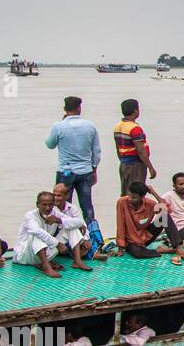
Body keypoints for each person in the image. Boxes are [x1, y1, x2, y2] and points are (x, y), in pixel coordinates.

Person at [46, 96, 101, 226]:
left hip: (66, 172)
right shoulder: (90, 126)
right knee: (87, 206)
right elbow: (97, 151)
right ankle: (93, 236)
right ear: (79, 108)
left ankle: (63, 236)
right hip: (86, 172)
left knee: (61, 206)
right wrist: (94, 169)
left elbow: (49, 144)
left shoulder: (59, 126)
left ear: (65, 109)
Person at [14, 191, 80, 276]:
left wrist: (59, 220)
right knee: (36, 234)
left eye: (50, 205)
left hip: (45, 254)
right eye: (44, 205)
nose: (48, 208)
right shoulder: (30, 216)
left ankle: (77, 261)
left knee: (71, 228)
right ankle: (46, 267)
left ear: (54, 204)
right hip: (24, 256)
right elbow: (37, 231)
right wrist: (58, 243)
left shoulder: (54, 213)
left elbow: (78, 222)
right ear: (38, 204)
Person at [116, 182, 183, 261]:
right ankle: (161, 250)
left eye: (134, 197)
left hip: (145, 237)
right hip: (130, 242)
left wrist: (153, 192)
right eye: (129, 195)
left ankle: (178, 248)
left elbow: (167, 210)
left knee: (165, 217)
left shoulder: (150, 204)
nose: (130, 199)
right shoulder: (122, 202)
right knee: (137, 253)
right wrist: (121, 246)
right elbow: (120, 225)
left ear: (142, 197)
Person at [50, 182, 103, 268]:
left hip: (73, 238)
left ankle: (80, 258)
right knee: (73, 228)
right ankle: (92, 254)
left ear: (66, 196)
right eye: (54, 195)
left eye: (58, 195)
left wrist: (85, 239)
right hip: (58, 241)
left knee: (92, 223)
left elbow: (81, 223)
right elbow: (75, 223)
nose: (55, 198)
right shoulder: (51, 208)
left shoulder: (73, 208)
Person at [113, 99, 156, 197]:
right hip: (135, 165)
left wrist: (123, 161)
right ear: (136, 111)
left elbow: (117, 148)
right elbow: (141, 150)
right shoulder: (135, 128)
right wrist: (150, 167)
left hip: (124, 164)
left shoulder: (118, 126)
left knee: (125, 193)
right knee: (136, 194)